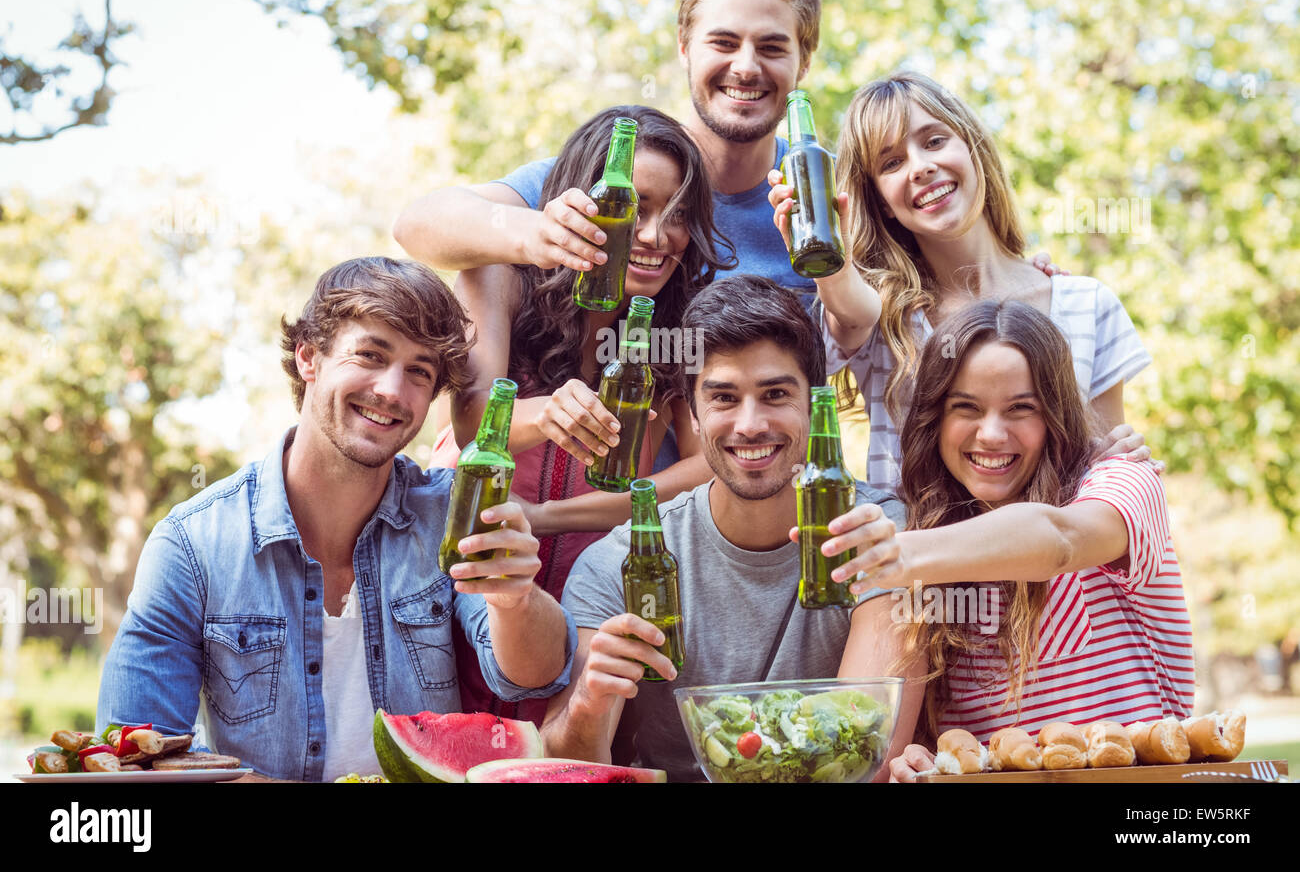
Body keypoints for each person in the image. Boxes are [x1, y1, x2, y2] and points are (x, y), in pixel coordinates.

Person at [96, 257, 576, 781]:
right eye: (370, 355)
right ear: (308, 357)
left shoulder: (450, 510)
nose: (392, 391)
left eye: (419, 371)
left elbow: (534, 677)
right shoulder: (193, 545)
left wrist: (516, 599)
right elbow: (134, 754)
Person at [430, 105, 732, 723]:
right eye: (636, 208)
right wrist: (544, 415)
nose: (654, 235)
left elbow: (704, 470)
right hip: (478, 566)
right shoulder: (502, 278)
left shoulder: (677, 324)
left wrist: (547, 517)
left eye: (676, 216)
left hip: (597, 592)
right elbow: (467, 421)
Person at [540, 275, 906, 782]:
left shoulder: (879, 534)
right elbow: (567, 766)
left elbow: (869, 752)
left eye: (775, 393)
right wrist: (588, 701)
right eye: (724, 398)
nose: (750, 424)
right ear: (691, 413)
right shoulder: (617, 564)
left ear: (814, 404)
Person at [824, 300, 1194, 781]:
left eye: (1021, 408)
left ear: (1054, 414)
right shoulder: (928, 549)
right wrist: (920, 763)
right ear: (934, 420)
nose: (992, 434)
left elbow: (1059, 539)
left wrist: (904, 553)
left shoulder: (1123, 482)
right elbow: (927, 749)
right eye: (966, 408)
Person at [768, 71, 1153, 491]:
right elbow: (850, 309)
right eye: (891, 163)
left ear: (972, 149)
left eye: (934, 141)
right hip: (920, 553)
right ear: (882, 202)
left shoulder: (1087, 304)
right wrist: (829, 256)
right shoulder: (886, 314)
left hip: (1057, 553)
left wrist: (1120, 459)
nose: (921, 167)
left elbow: (1106, 480)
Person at [393, 0, 822, 305]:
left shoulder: (834, 197)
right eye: (723, 42)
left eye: (771, 47)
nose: (746, 67)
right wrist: (536, 231)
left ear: (804, 61)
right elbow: (418, 224)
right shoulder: (619, 172)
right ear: (684, 47)